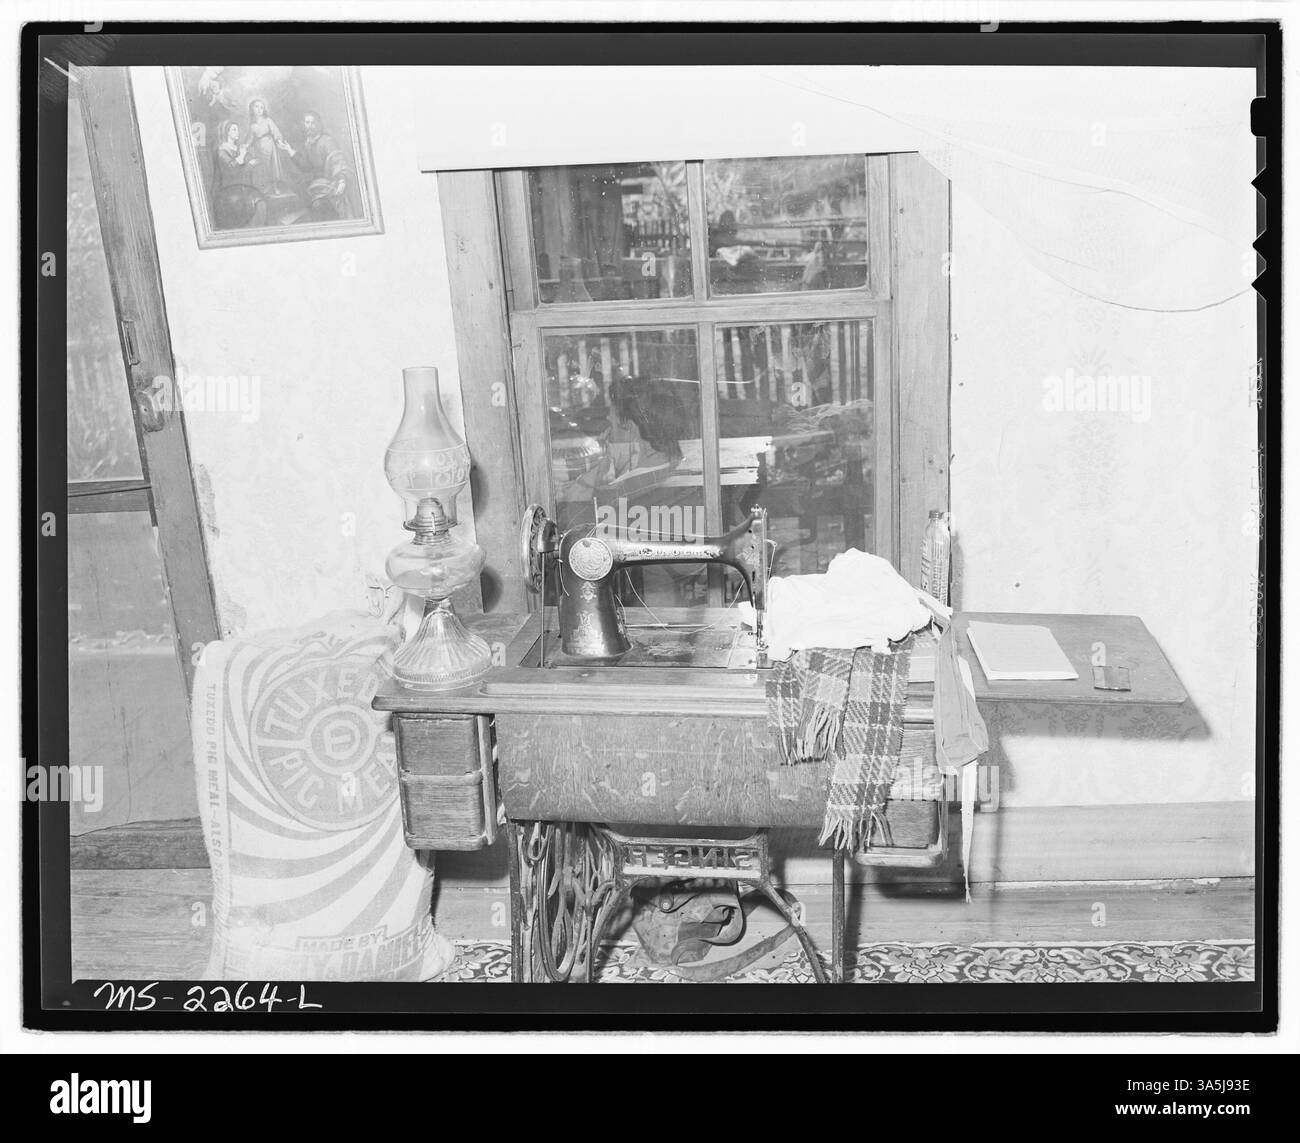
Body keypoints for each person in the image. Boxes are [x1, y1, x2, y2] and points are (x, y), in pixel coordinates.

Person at [282, 110, 360, 220]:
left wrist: (341, 180)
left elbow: (338, 161)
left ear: (319, 124)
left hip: (332, 183)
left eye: (313, 123)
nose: (310, 126)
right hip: (317, 185)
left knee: (319, 206)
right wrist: (290, 150)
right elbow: (306, 166)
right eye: (307, 123)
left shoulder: (327, 141)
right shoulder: (308, 143)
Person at [244, 97, 293, 196]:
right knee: (262, 168)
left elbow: (275, 131)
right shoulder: (252, 125)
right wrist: (245, 146)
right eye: (256, 107)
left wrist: (279, 140)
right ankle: (265, 187)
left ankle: (275, 187)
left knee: (272, 167)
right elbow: (249, 138)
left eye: (261, 107)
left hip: (270, 147)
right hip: (259, 150)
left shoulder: (268, 120)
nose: (259, 109)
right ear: (252, 109)